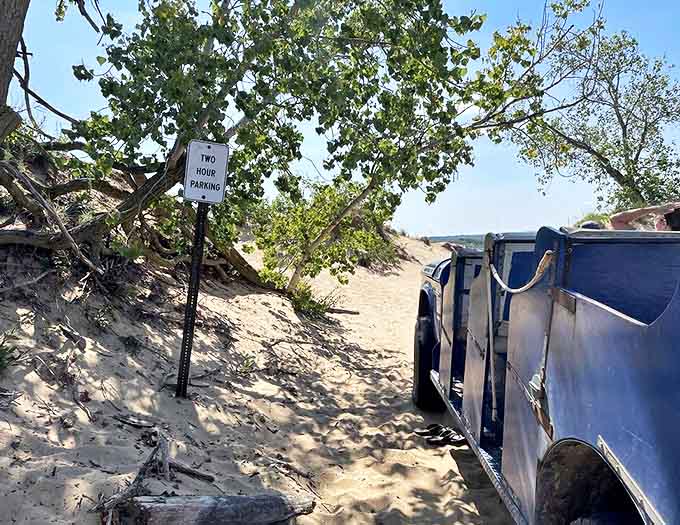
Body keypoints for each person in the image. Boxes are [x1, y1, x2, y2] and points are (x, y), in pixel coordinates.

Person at [579, 202, 680, 231]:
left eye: (662, 220)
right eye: (659, 218)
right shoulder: (643, 234)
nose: (656, 221)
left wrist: (655, 209)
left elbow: (615, 220)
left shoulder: (643, 237)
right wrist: (656, 209)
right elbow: (615, 220)